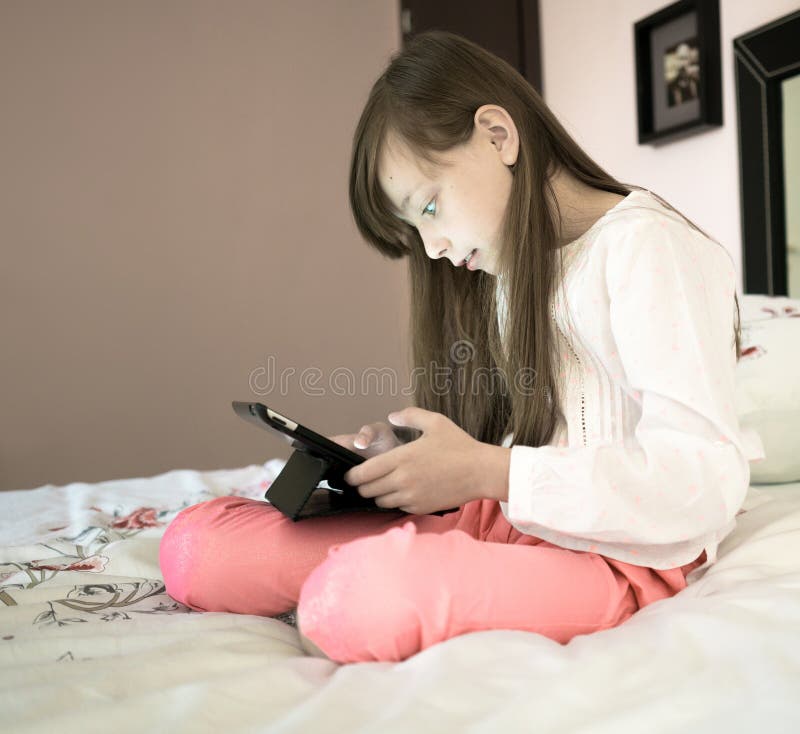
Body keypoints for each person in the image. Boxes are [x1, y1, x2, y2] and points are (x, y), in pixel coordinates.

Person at [158, 31, 765, 664]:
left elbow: (703, 479)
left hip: (619, 555)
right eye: (415, 228)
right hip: (504, 515)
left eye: (429, 207)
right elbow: (526, 438)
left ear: (498, 135)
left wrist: (487, 471)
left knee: (352, 601)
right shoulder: (509, 269)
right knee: (196, 549)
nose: (433, 248)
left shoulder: (649, 250)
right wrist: (421, 460)